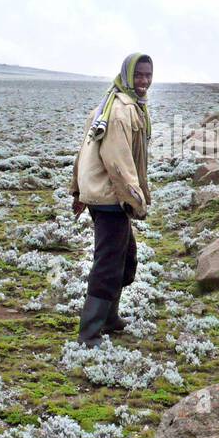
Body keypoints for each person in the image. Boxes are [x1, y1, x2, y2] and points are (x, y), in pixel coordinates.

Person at [70, 53, 153, 345]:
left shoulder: (117, 103)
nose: (143, 81)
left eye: (147, 75)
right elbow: (119, 163)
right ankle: (90, 333)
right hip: (110, 196)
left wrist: (77, 190)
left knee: (125, 257)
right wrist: (135, 199)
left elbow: (83, 151)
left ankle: (109, 317)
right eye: (139, 75)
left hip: (105, 194)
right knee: (108, 263)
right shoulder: (120, 111)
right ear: (128, 75)